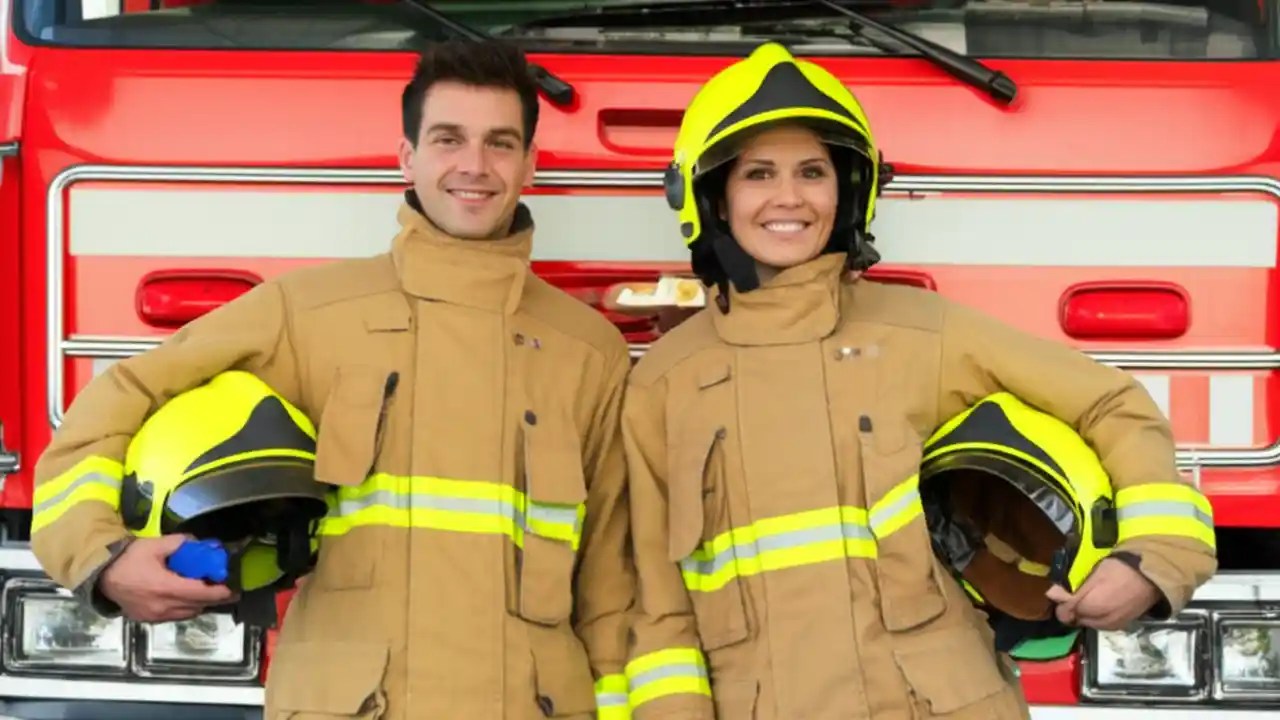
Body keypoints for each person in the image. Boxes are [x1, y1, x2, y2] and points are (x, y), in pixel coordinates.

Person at [30, 39, 636, 720]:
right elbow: (121, 398)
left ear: (529, 163)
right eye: (448, 139)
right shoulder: (308, 314)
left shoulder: (590, 353)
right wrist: (101, 557)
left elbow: (613, 590)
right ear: (407, 157)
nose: (475, 165)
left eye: (500, 143)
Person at [620, 42, 1217, 719]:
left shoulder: (923, 334)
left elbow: (1109, 400)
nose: (789, 197)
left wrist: (1154, 552)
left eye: (812, 172)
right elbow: (656, 610)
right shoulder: (663, 385)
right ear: (713, 198)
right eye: (757, 173)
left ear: (847, 190)